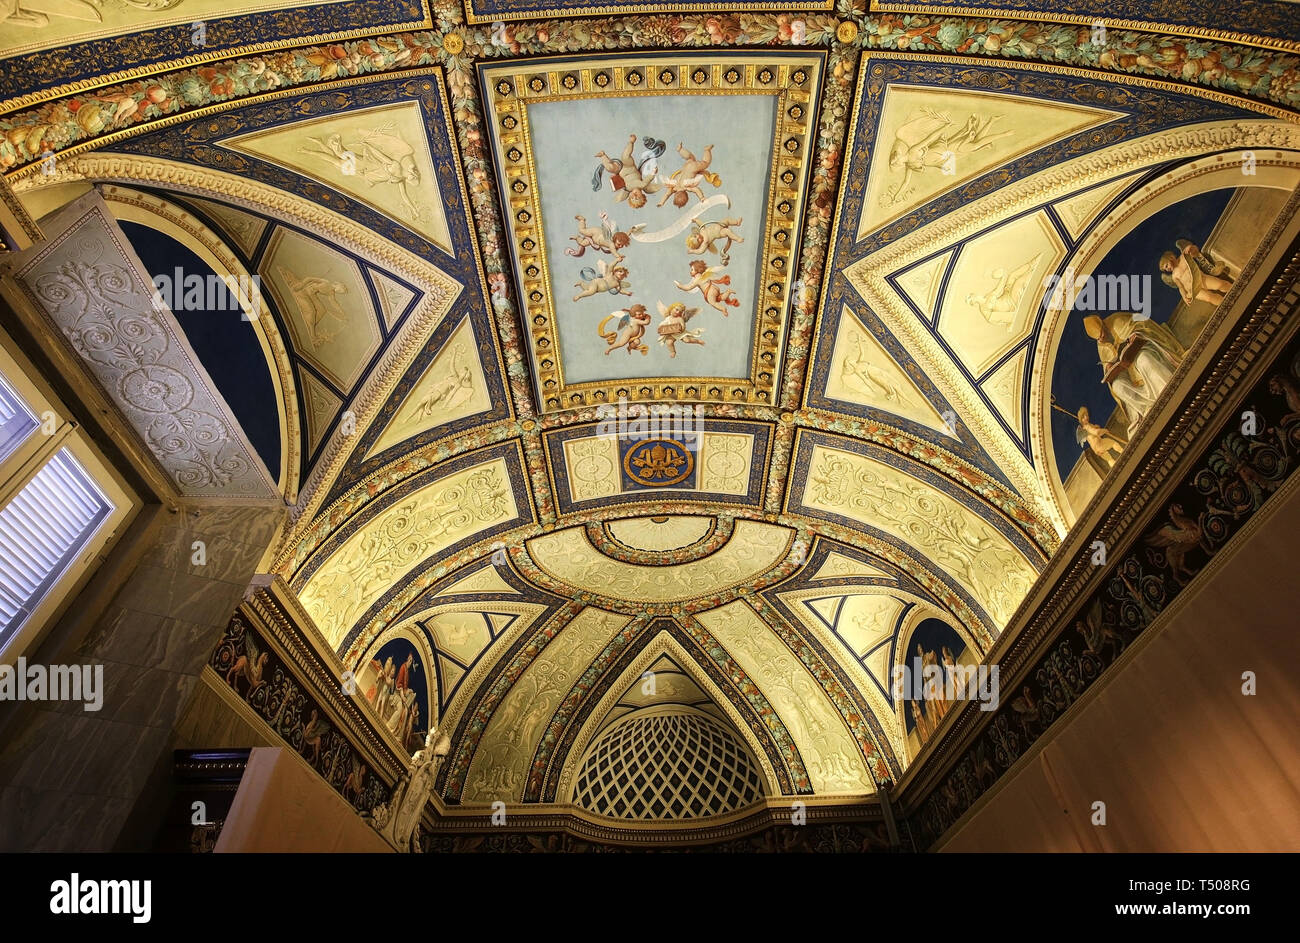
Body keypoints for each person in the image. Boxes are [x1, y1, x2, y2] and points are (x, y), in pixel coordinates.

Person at [1083, 313, 1187, 438]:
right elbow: (1107, 361)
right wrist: (1109, 367)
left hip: (1143, 350)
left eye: (1101, 335)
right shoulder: (1100, 343)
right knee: (1117, 386)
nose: (1101, 339)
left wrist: (1132, 340)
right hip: (1126, 369)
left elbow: (1141, 329)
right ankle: (1146, 409)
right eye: (1098, 338)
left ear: (1103, 325)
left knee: (1144, 361)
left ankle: (1166, 391)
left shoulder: (1117, 321)